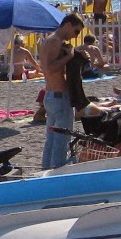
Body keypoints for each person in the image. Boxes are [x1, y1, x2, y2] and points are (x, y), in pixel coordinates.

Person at [37, 12, 86, 169]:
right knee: (60, 142)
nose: (75, 36)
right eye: (76, 31)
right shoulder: (55, 41)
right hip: (59, 97)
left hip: (51, 96)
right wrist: (69, 57)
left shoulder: (49, 40)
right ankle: (57, 171)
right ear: (68, 25)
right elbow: (50, 69)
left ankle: (45, 172)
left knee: (51, 140)